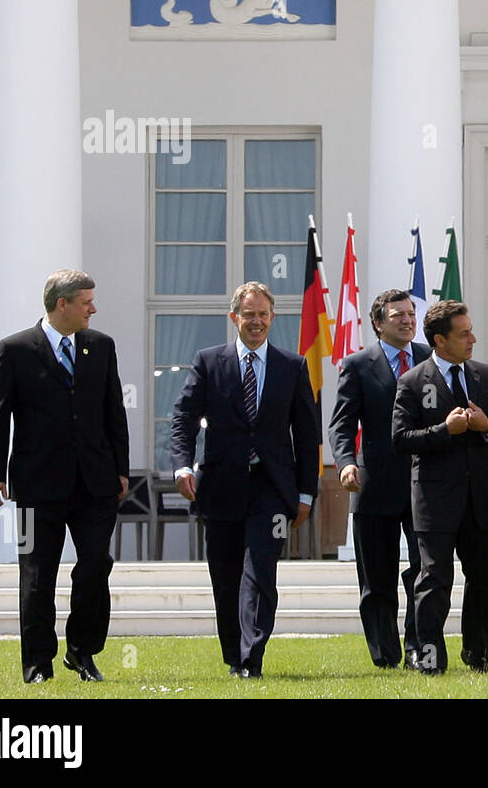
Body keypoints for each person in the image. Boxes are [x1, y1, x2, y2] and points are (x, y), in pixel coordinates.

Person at [0, 270, 130, 683]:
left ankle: (82, 650)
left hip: (95, 483)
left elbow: (113, 411)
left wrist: (121, 468)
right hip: (36, 485)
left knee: (96, 564)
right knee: (36, 576)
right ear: (61, 304)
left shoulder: (101, 346)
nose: (93, 309)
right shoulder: (14, 349)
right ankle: (37, 666)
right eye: (86, 302)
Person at [171, 281, 320, 678]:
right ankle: (234, 655)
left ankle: (252, 657)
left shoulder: (293, 366)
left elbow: (307, 435)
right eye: (249, 314)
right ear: (234, 317)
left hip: (271, 488)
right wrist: (182, 466)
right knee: (226, 574)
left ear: (273, 318)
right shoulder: (208, 361)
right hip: (220, 486)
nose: (256, 322)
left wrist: (306, 493)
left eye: (264, 315)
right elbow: (184, 419)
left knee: (261, 570)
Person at [391, 301, 488, 675]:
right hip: (434, 501)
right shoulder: (413, 382)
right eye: (464, 334)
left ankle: (477, 656)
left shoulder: (486, 376)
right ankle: (429, 659)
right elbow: (400, 439)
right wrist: (445, 431)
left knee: (484, 579)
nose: (473, 339)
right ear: (440, 341)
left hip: (480, 500)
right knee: (434, 580)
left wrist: (485, 426)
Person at [328, 289, 429, 669]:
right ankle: (385, 655)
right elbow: (341, 424)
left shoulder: (428, 359)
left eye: (410, 314)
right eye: (397, 315)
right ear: (378, 323)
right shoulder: (357, 365)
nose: (406, 320)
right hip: (374, 484)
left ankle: (419, 649)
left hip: (425, 485)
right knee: (377, 577)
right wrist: (345, 464)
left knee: (424, 571)